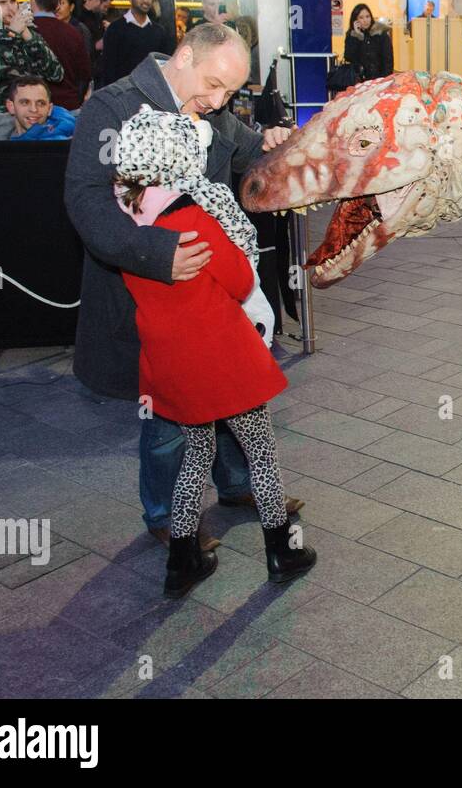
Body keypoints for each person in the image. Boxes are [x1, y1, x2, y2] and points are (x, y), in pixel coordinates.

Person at [64, 21, 304, 551]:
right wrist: (156, 253)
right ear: (184, 55)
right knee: (169, 411)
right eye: (214, 84)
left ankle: (239, 486)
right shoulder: (113, 106)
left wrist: (275, 142)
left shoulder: (210, 107)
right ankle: (169, 516)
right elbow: (85, 200)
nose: (218, 100)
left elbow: (247, 151)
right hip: (150, 287)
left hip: (210, 287)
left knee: (228, 387)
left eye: (229, 92)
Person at [111, 104, 315, 597]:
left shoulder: (125, 221)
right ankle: (282, 549)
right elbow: (242, 279)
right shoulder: (192, 216)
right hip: (221, 358)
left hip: (170, 364)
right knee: (261, 452)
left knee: (195, 455)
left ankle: (182, 559)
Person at [98, 0, 176, 87]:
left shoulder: (159, 31)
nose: (145, 0)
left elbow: (164, 64)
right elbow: (108, 67)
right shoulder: (115, 29)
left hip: (152, 91)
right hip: (123, 91)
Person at [28, 0, 92, 111]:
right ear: (57, 4)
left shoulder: (26, 31)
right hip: (69, 103)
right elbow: (84, 73)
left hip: (34, 108)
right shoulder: (72, 32)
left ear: (32, 0)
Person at [0, 75, 77, 140]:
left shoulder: (70, 134)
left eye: (41, 103)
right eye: (25, 102)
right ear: (11, 106)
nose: (34, 109)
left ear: (49, 109)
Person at [343, 3, 394, 82]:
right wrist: (357, 36)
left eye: (368, 16)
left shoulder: (380, 33)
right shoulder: (352, 35)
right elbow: (349, 57)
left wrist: (384, 80)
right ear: (355, 20)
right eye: (361, 17)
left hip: (379, 80)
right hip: (359, 81)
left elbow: (388, 60)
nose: (365, 20)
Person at [56, 0, 94, 65]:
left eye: (62, 3)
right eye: (54, 3)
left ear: (71, 7)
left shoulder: (80, 29)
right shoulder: (52, 27)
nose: (57, 8)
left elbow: (85, 59)